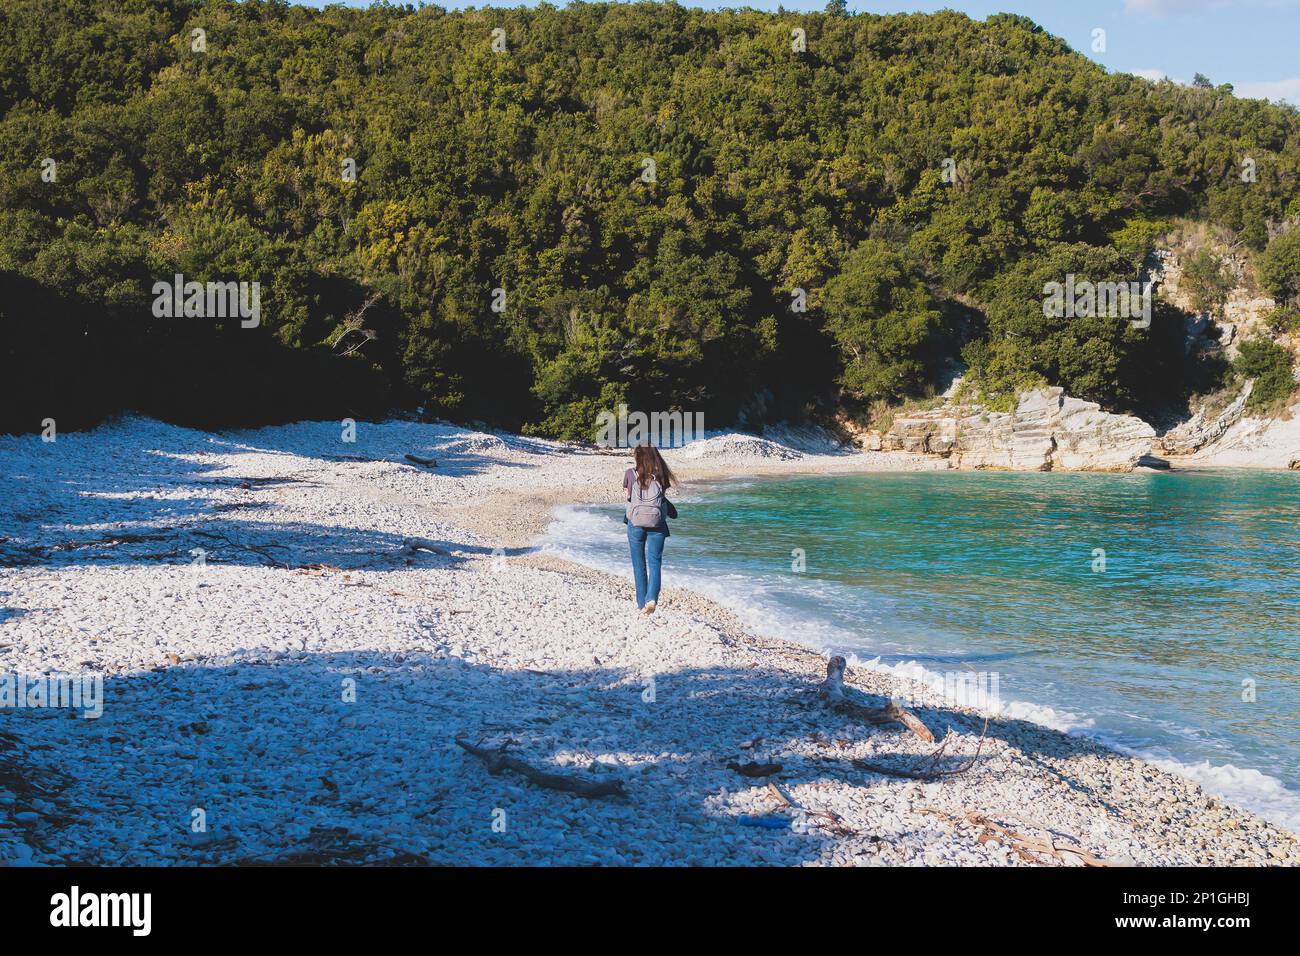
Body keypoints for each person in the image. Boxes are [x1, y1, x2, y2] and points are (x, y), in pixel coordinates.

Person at [623, 443, 678, 614]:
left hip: (636, 524)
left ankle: (641, 605)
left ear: (637, 456)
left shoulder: (630, 473)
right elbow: (661, 498)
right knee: (655, 563)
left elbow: (629, 498)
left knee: (638, 565)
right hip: (657, 524)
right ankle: (651, 599)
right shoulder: (660, 474)